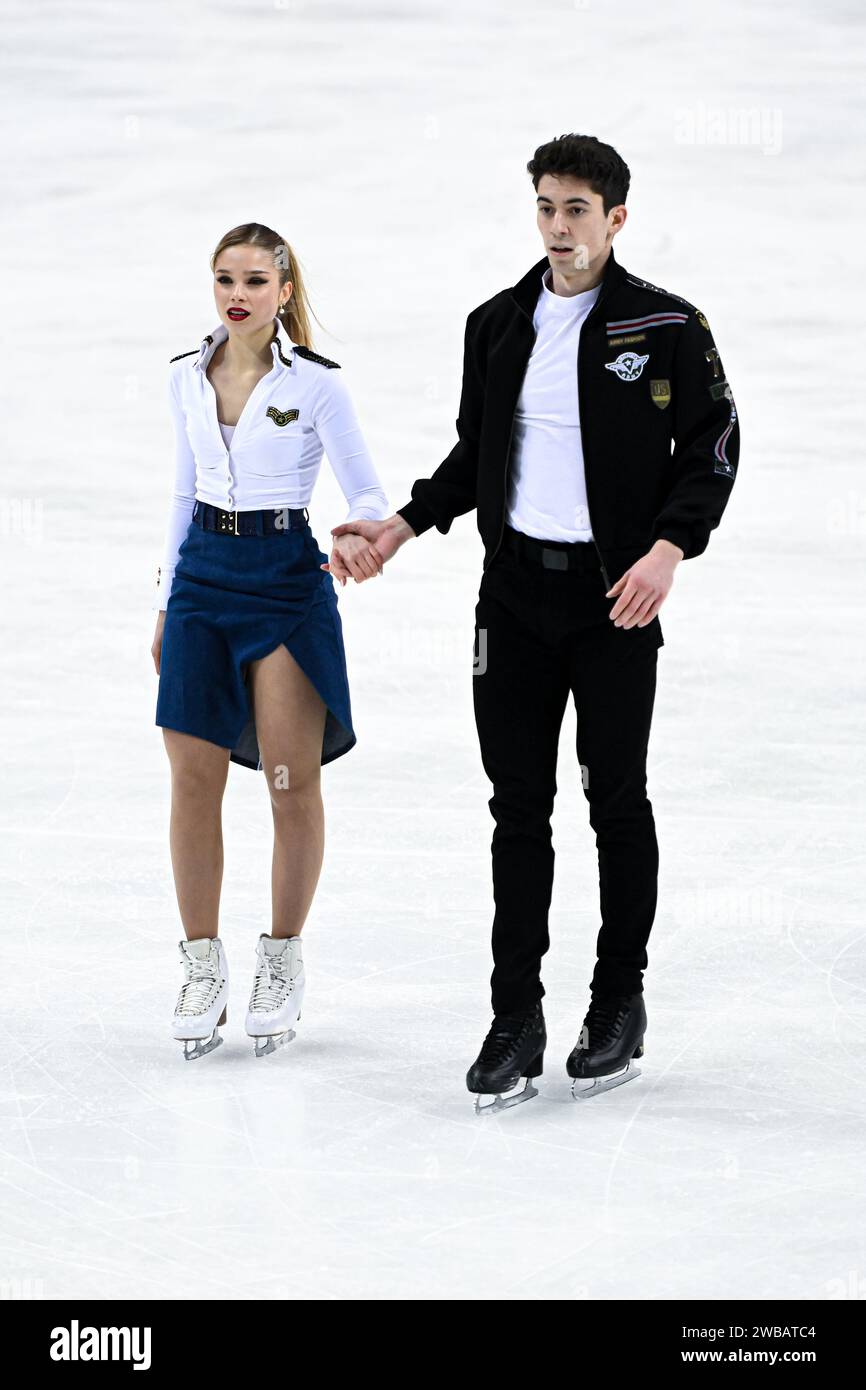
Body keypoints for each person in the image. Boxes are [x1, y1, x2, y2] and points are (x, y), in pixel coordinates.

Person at [328, 134, 740, 1112]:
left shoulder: (664, 324)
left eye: (577, 211)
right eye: (547, 209)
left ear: (615, 219)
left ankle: (617, 1002)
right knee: (517, 808)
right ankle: (514, 1014)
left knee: (614, 802)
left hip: (612, 603)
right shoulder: (498, 323)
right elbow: (478, 453)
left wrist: (666, 547)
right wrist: (403, 524)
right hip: (512, 599)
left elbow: (712, 446)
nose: (559, 229)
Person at [151, 222, 387, 1060]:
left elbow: (366, 490)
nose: (237, 294)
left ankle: (280, 960)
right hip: (202, 581)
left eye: (255, 280)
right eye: (224, 279)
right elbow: (182, 492)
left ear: (284, 292)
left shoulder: (317, 386)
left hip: (285, 584)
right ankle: (201, 964)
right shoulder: (186, 377)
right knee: (192, 779)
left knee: (290, 783)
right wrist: (165, 601)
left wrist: (360, 537)